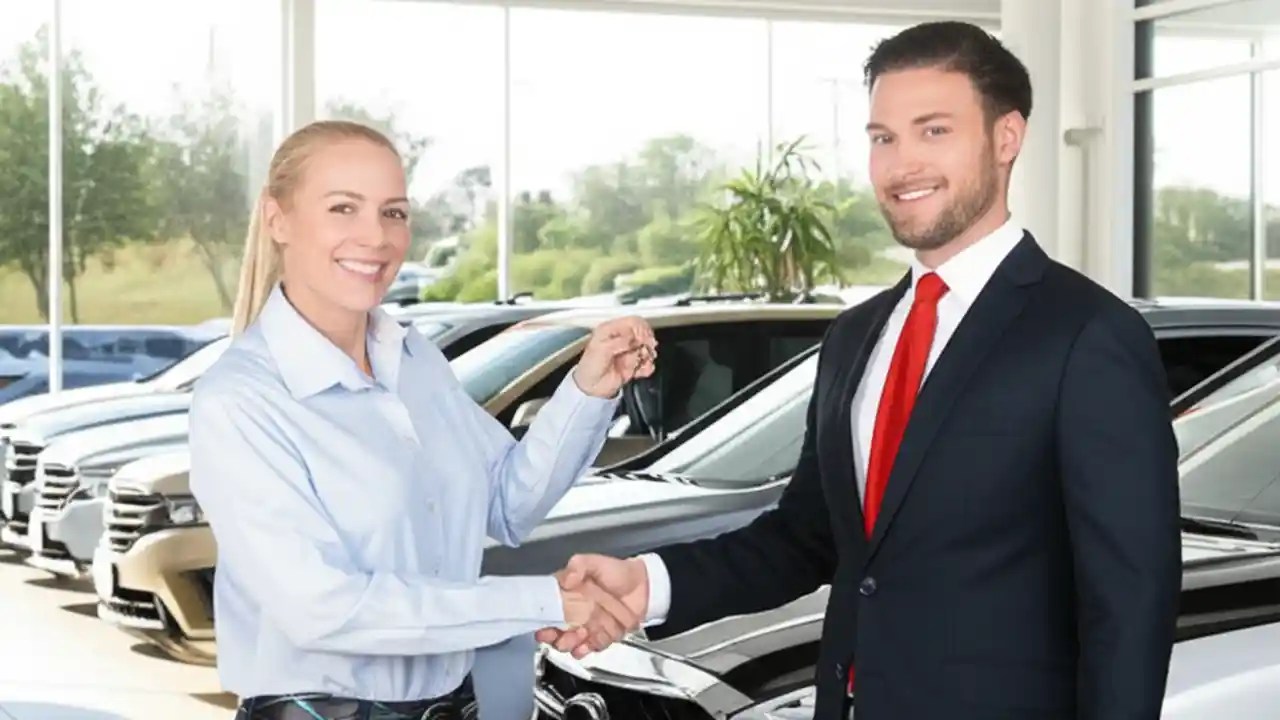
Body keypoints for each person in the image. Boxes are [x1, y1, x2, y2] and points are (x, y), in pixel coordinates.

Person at [541, 21, 1182, 720]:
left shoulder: (1087, 334)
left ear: (1006, 138)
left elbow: (1131, 601)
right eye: (883, 138)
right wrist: (648, 583)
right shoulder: (855, 336)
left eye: (934, 131)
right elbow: (806, 537)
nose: (902, 165)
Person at [188, 119, 650, 720]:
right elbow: (322, 608)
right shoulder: (241, 400)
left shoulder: (415, 361)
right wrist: (542, 601)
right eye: (343, 208)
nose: (375, 237)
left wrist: (588, 389)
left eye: (394, 213)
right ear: (278, 220)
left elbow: (507, 504)